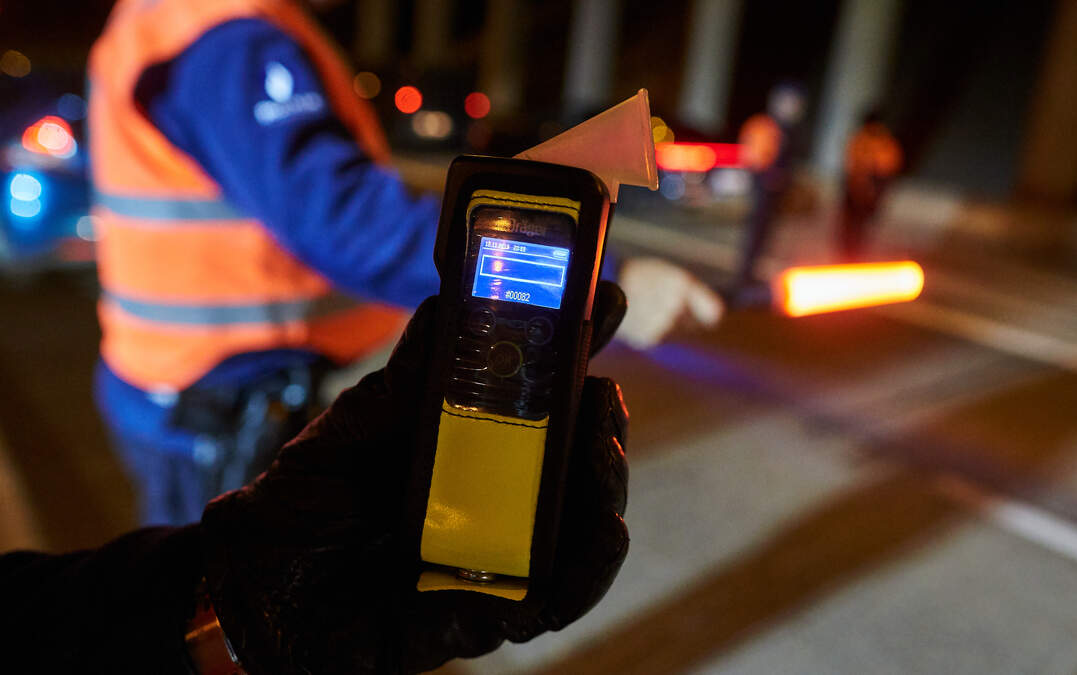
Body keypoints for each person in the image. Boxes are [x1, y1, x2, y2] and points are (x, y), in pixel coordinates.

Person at [87, 0, 711, 526]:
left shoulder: (190, 23)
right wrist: (597, 279)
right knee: (233, 635)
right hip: (222, 409)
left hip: (204, 395)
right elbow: (348, 223)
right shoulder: (226, 36)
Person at [0, 291, 631, 674]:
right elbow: (337, 208)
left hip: (158, 383)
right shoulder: (243, 63)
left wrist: (231, 610)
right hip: (214, 397)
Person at [732, 82, 809, 302]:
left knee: (765, 234)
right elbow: (753, 155)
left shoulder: (788, 131)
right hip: (763, 185)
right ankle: (744, 276)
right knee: (756, 231)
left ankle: (750, 273)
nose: (795, 109)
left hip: (774, 189)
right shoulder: (765, 126)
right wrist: (765, 176)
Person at [838, 108, 902, 261]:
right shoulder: (861, 139)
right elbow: (850, 164)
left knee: (860, 232)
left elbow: (887, 167)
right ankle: (847, 259)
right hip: (855, 191)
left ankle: (854, 259)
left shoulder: (883, 143)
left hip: (868, 192)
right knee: (848, 231)